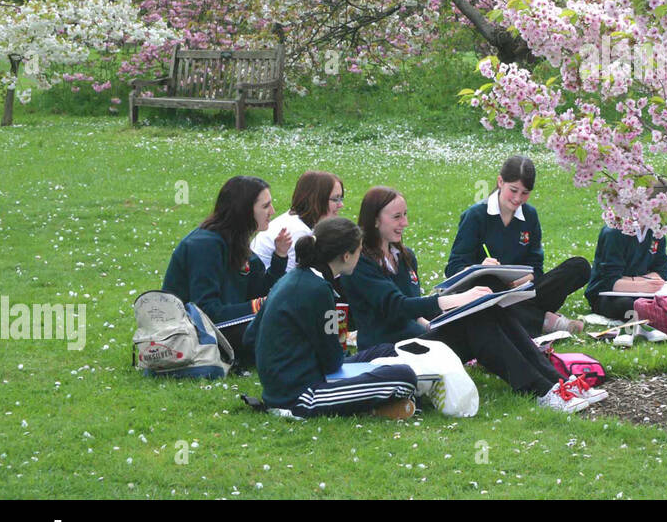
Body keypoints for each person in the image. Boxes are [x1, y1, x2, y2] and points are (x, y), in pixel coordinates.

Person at [344, 186, 601, 413]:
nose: (405, 223)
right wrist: (453, 301)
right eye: (397, 217)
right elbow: (396, 306)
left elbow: (415, 308)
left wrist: (451, 313)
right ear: (375, 220)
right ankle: (543, 391)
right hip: (391, 352)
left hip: (420, 339)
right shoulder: (361, 263)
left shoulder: (404, 255)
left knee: (487, 311)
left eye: (406, 214)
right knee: (477, 320)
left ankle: (557, 383)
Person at [250, 216, 421, 419]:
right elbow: (332, 360)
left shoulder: (293, 278)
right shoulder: (320, 290)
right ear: (346, 256)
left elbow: (251, 334)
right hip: (300, 396)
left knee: (388, 349)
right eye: (359, 251)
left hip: (292, 381)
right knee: (404, 376)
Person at [446, 155, 590, 336]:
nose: (517, 198)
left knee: (579, 267)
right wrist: (479, 268)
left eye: (524, 193)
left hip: (523, 291)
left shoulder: (529, 215)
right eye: (513, 190)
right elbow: (453, 269)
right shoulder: (475, 215)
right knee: (490, 288)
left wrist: (521, 280)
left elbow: (536, 268)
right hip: (486, 293)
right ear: (500, 182)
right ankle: (544, 321)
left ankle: (525, 317)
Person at [162, 175, 292, 365]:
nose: (272, 211)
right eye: (265, 206)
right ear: (244, 211)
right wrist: (260, 306)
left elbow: (258, 292)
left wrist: (280, 257)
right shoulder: (205, 245)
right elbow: (205, 312)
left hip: (224, 327)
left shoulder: (237, 241)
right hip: (191, 335)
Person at [251, 170, 345, 276]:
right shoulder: (298, 231)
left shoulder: (299, 220)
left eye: (341, 198)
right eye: (335, 199)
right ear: (316, 200)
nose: (341, 205)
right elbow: (294, 278)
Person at [586, 220, 667, 322]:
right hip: (608, 295)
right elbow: (610, 280)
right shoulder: (614, 232)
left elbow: (662, 269)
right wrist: (642, 284)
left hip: (645, 292)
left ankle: (657, 311)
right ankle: (660, 312)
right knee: (628, 305)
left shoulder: (656, 230)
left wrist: (648, 282)